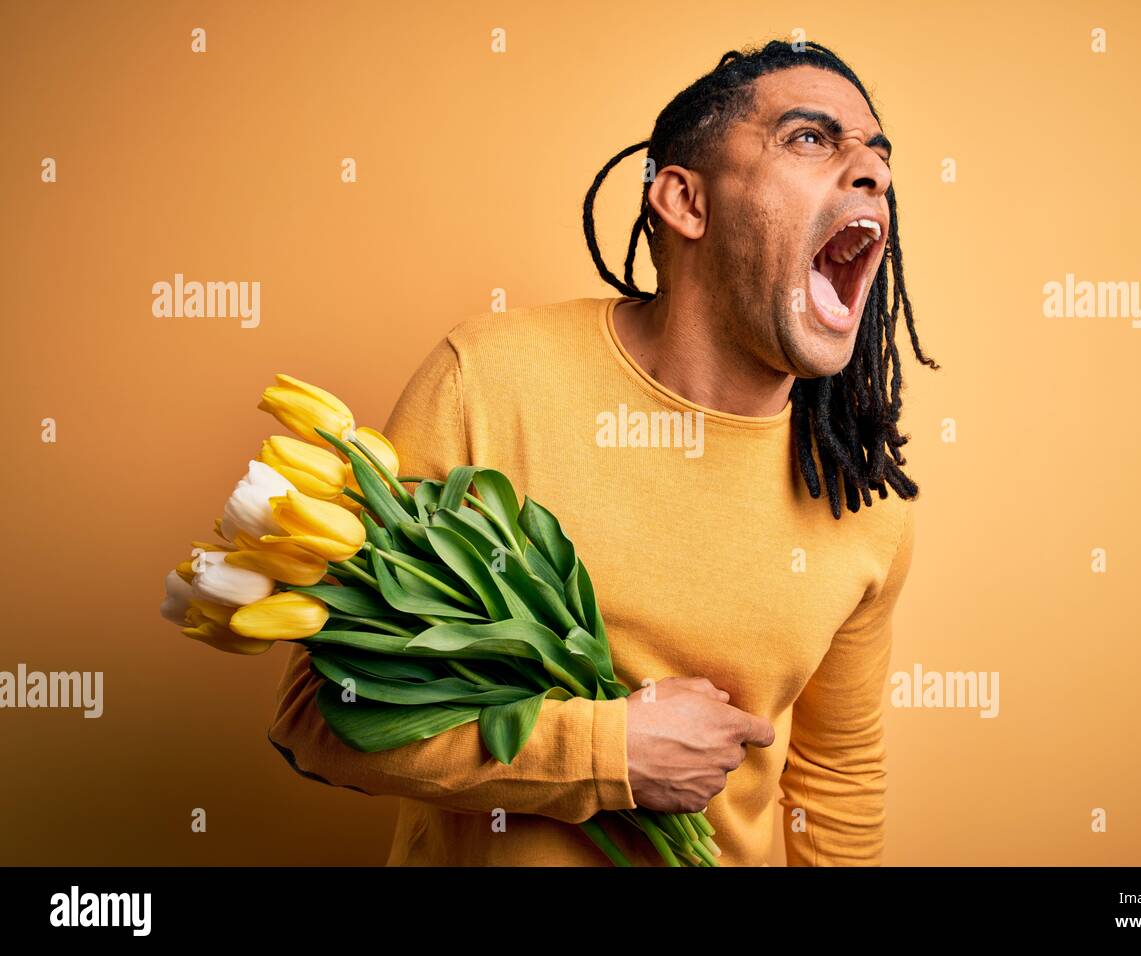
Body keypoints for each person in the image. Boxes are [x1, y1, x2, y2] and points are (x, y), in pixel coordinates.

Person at [268, 38, 937, 867]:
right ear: (685, 201)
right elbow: (320, 711)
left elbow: (835, 781)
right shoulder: (486, 384)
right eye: (810, 138)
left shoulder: (862, 494)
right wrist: (607, 754)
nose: (870, 170)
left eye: (877, 155)